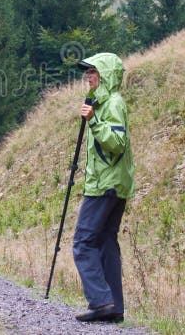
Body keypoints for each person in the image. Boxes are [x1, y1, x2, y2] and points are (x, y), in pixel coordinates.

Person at [72, 52, 134, 323]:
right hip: (113, 183)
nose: (88, 76)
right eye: (87, 72)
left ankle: (101, 301)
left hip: (105, 185)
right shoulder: (104, 102)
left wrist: (94, 121)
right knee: (106, 241)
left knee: (83, 242)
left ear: (106, 75)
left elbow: (116, 144)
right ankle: (114, 307)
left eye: (93, 71)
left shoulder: (113, 104)